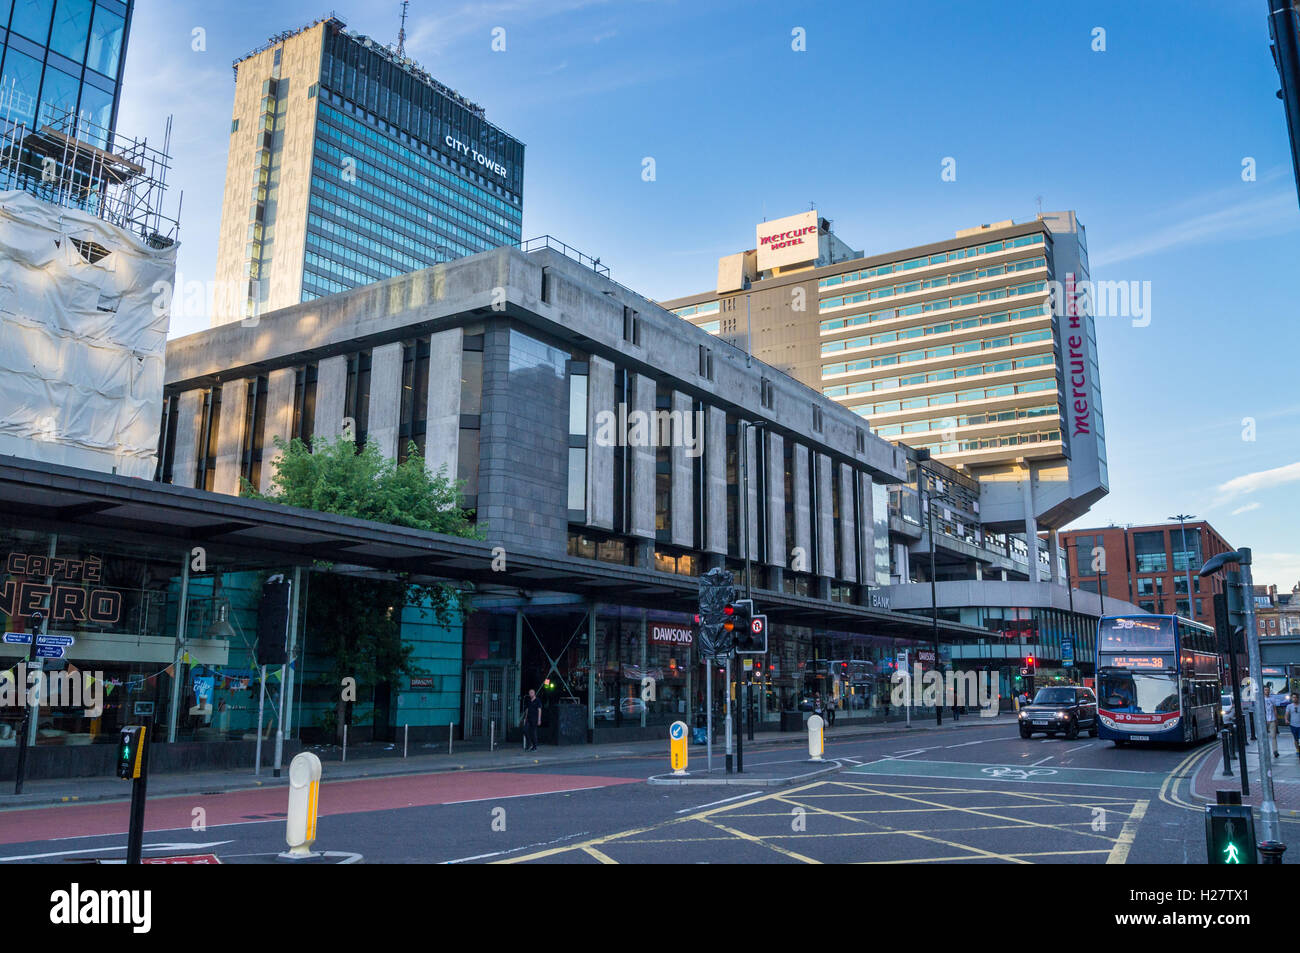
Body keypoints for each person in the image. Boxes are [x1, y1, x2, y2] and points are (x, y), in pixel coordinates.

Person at [1264, 684, 1279, 757]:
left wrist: (1276, 719)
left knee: (1273, 736)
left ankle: (1275, 751)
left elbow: (1274, 709)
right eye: (1265, 690)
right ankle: (1265, 751)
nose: (1267, 691)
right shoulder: (1261, 699)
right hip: (1264, 721)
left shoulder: (1272, 699)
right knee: (1264, 736)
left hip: (1272, 719)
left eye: (1268, 690)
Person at [1287, 693, 1300, 757]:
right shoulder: (1289, 706)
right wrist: (1286, 719)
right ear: (1292, 698)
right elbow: (1287, 714)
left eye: (1296, 697)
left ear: (1298, 698)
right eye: (1293, 697)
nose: (1295, 699)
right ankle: (1297, 750)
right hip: (1293, 725)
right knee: (1296, 739)